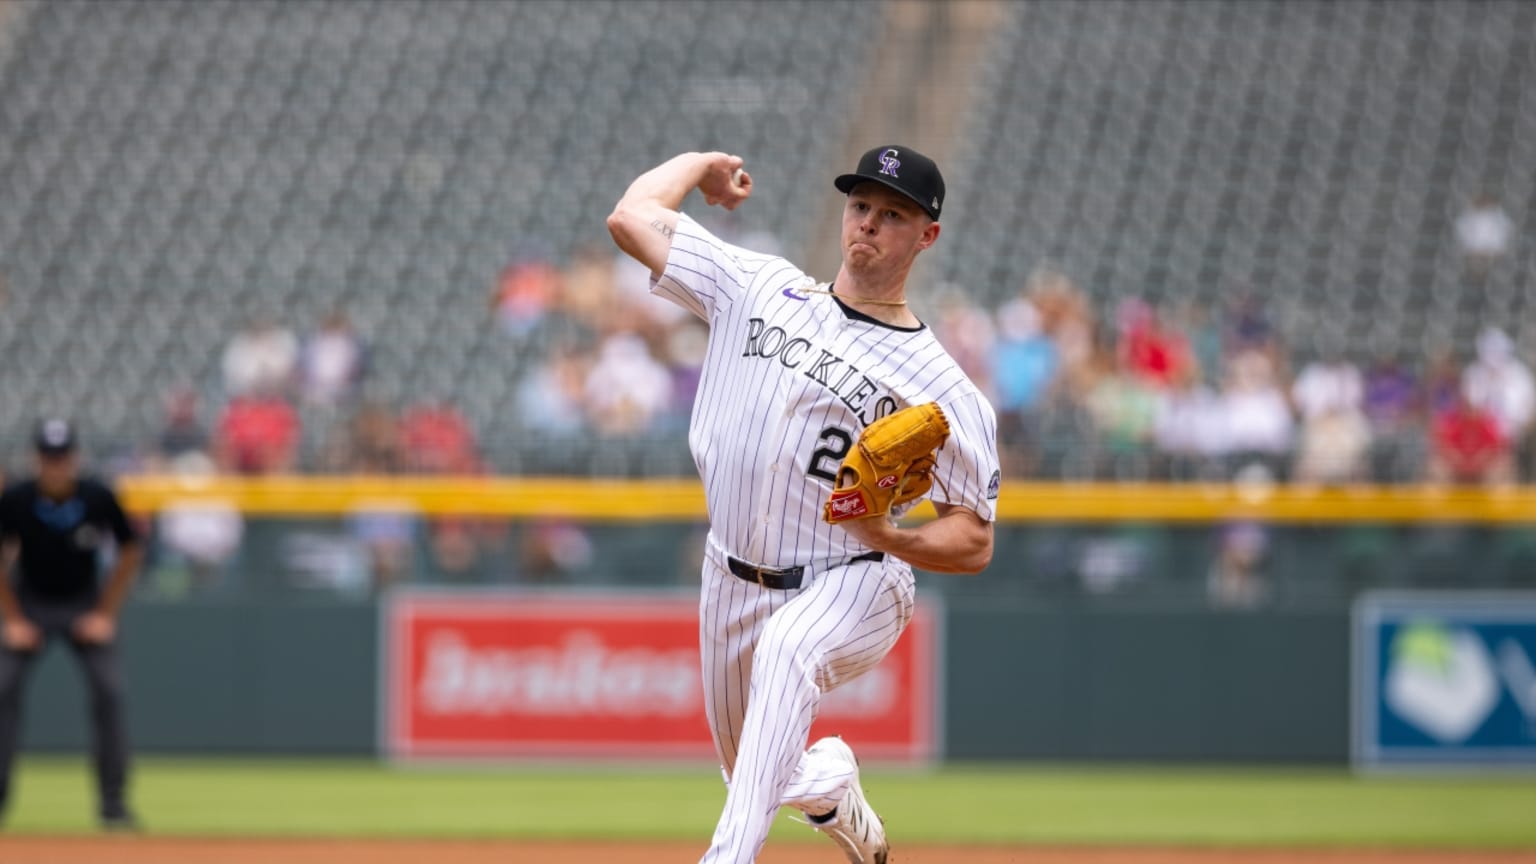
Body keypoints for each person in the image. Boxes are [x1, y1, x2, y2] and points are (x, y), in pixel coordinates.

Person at [607, 147, 999, 864]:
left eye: (893, 215)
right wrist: (698, 164)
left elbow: (973, 540)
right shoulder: (757, 285)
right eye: (860, 207)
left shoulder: (943, 387)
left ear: (926, 236)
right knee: (754, 769)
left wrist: (887, 533)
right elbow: (632, 218)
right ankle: (830, 791)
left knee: (789, 654)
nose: (869, 225)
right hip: (729, 577)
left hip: (852, 574)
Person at [0, 420, 143, 830]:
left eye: (62, 457)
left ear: (75, 458)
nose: (56, 465)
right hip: (31, 605)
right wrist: (12, 619)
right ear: (37, 458)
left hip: (83, 604)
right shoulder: (17, 498)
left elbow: (131, 549)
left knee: (110, 692)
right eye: (48, 457)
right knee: (2, 690)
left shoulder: (97, 496)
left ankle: (113, 805)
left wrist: (105, 614)